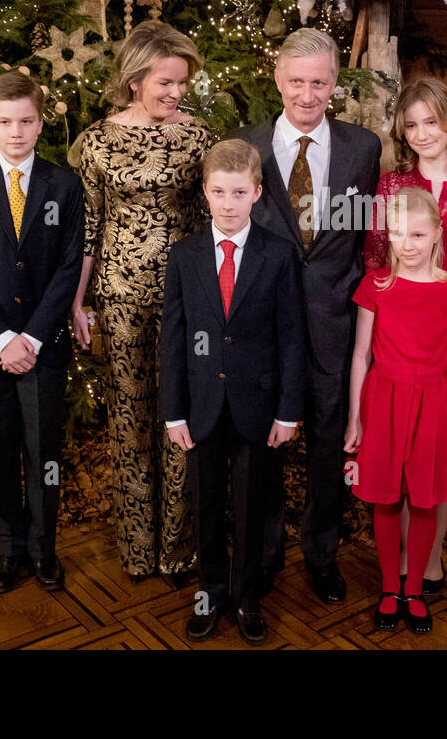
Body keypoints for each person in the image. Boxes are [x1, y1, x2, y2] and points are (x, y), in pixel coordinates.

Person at [235, 28, 381, 605]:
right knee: (264, 439)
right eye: (296, 81)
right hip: (264, 324)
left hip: (332, 319)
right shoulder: (244, 145)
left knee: (327, 440)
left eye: (319, 82)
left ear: (335, 83)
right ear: (278, 81)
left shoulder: (362, 147)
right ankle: (266, 554)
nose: (307, 94)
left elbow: (365, 236)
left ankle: (321, 552)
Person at [71, 21, 211, 584]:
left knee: (181, 419)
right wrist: (77, 302)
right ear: (135, 80)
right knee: (130, 421)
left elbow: (211, 223)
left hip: (186, 300)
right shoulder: (98, 141)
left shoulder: (200, 137)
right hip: (120, 298)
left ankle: (179, 550)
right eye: (166, 82)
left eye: (182, 83)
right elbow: (87, 226)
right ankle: (137, 549)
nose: (176, 93)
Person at [160, 140, 305, 645]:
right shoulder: (184, 256)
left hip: (259, 407)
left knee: (251, 506)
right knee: (205, 506)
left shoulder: (279, 255)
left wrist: (288, 410)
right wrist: (173, 411)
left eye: (238, 192)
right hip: (200, 406)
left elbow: (291, 336)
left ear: (256, 193)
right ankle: (209, 593)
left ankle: (246, 597)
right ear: (204, 192)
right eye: (218, 192)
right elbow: (173, 339)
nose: (227, 202)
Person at [0, 71, 84, 594]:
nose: (17, 131)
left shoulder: (63, 186)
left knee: (45, 453)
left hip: (43, 348)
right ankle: (8, 550)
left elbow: (69, 267)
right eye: (6, 122)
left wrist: (33, 337)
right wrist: (3, 338)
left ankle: (44, 550)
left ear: (40, 123)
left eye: (26, 121)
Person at [363, 75, 447, 593]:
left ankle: (432, 556)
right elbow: (376, 255)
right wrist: (404, 311)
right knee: (399, 449)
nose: (422, 133)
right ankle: (397, 558)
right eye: (412, 125)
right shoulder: (392, 186)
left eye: (431, 122)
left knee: (441, 451)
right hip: (399, 338)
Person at [344, 186, 447, 634]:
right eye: (399, 234)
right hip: (383, 399)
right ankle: (388, 585)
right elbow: (361, 355)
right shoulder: (375, 285)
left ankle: (415, 587)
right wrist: (354, 418)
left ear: (437, 234)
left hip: (435, 402)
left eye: (419, 235)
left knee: (424, 500)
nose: (409, 244)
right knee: (385, 497)